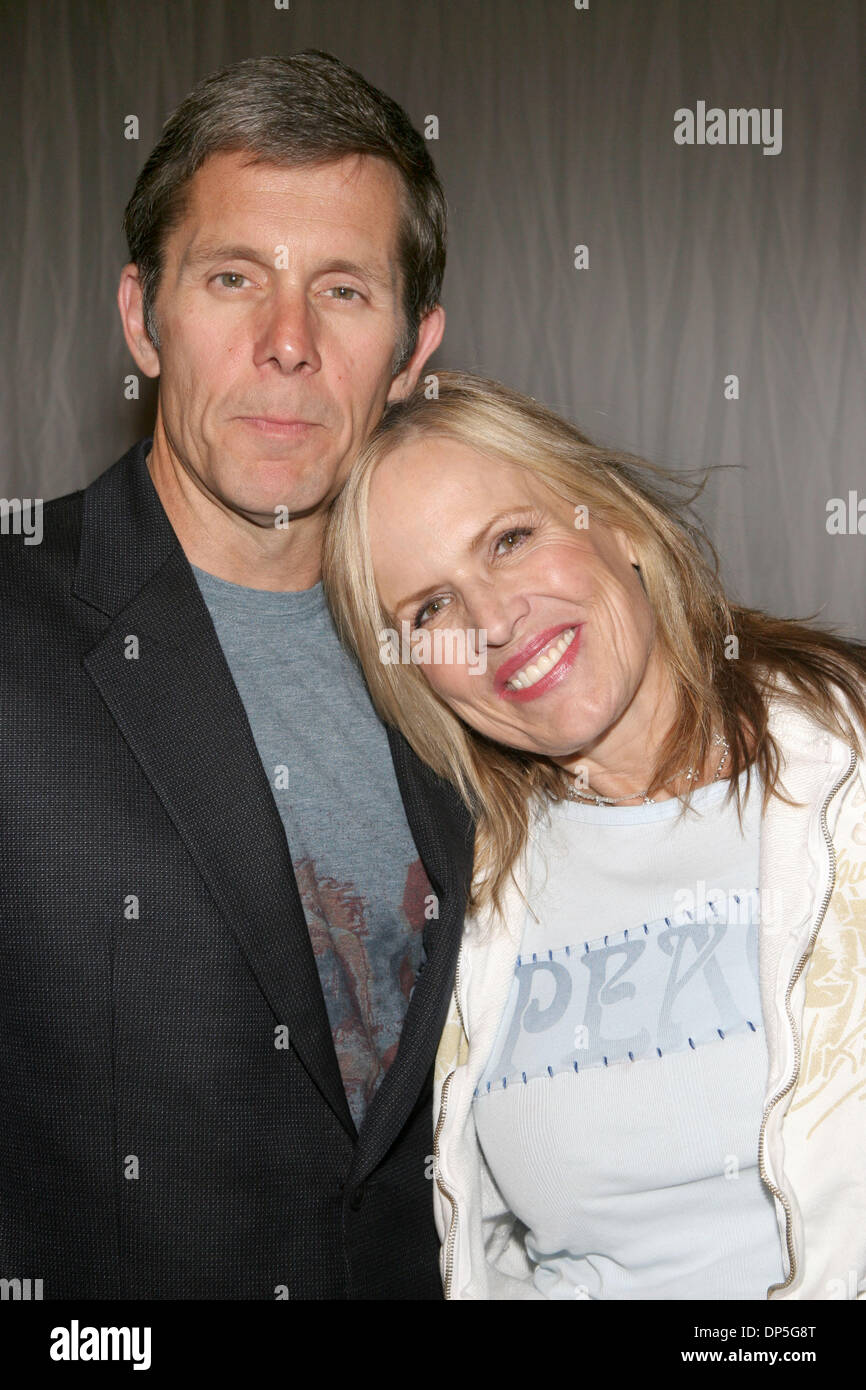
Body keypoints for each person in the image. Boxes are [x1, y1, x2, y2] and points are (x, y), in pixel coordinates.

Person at [0, 53, 477, 1301]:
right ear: (140, 318)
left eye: (343, 290)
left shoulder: (480, 665)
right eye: (230, 279)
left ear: (413, 346)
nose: (286, 345)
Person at [322, 369, 866, 1300]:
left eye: (511, 539)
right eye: (430, 609)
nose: (492, 622)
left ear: (610, 521)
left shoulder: (846, 768)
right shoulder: (456, 893)